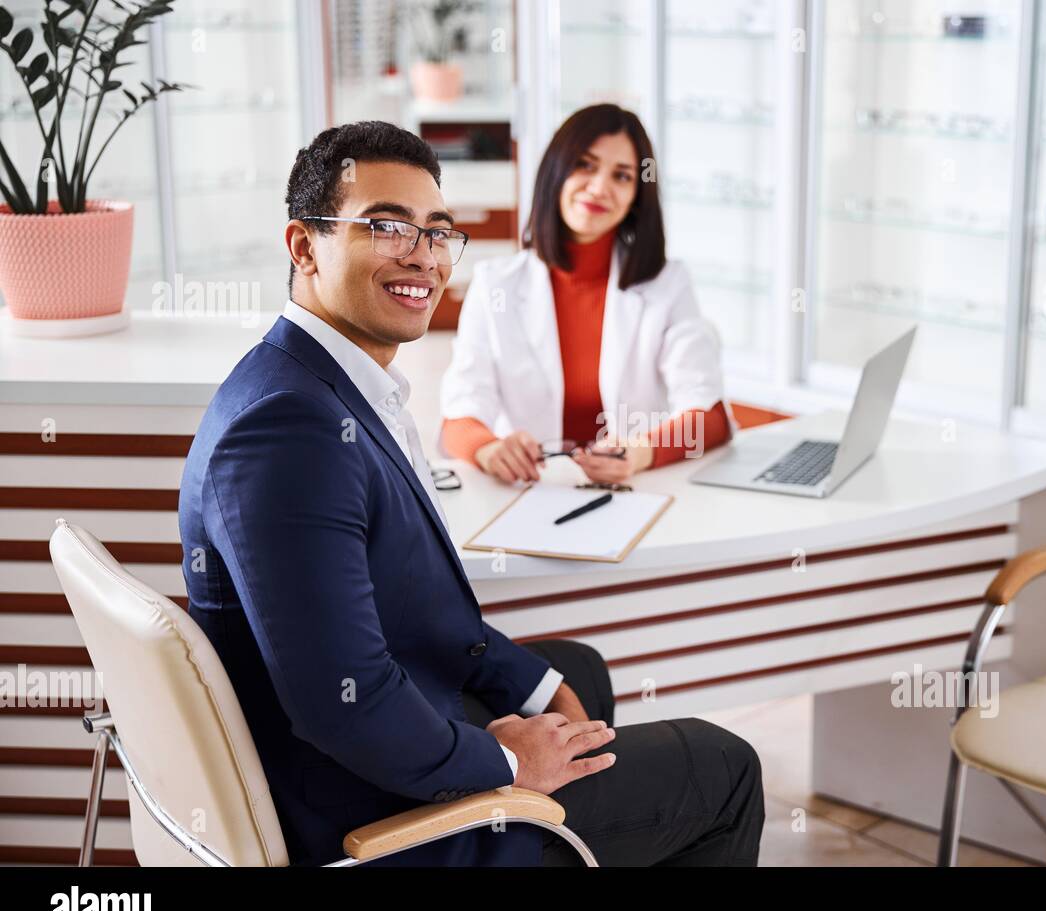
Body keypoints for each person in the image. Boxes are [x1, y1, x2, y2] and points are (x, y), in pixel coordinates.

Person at [177, 120, 764, 866]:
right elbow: (344, 705)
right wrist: (509, 766)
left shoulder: (316, 384)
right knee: (725, 766)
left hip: (377, 742)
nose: (421, 254)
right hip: (371, 816)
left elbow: (415, 617)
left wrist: (535, 691)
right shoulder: (289, 431)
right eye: (387, 227)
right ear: (303, 247)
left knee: (573, 670)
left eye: (436, 231)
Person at [439, 103, 733, 485]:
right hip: (532, 492)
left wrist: (641, 452)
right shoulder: (495, 284)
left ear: (636, 197)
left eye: (622, 176)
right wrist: (490, 449)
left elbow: (710, 418)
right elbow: (459, 416)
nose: (599, 188)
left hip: (634, 490)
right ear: (556, 171)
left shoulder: (667, 283)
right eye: (585, 165)